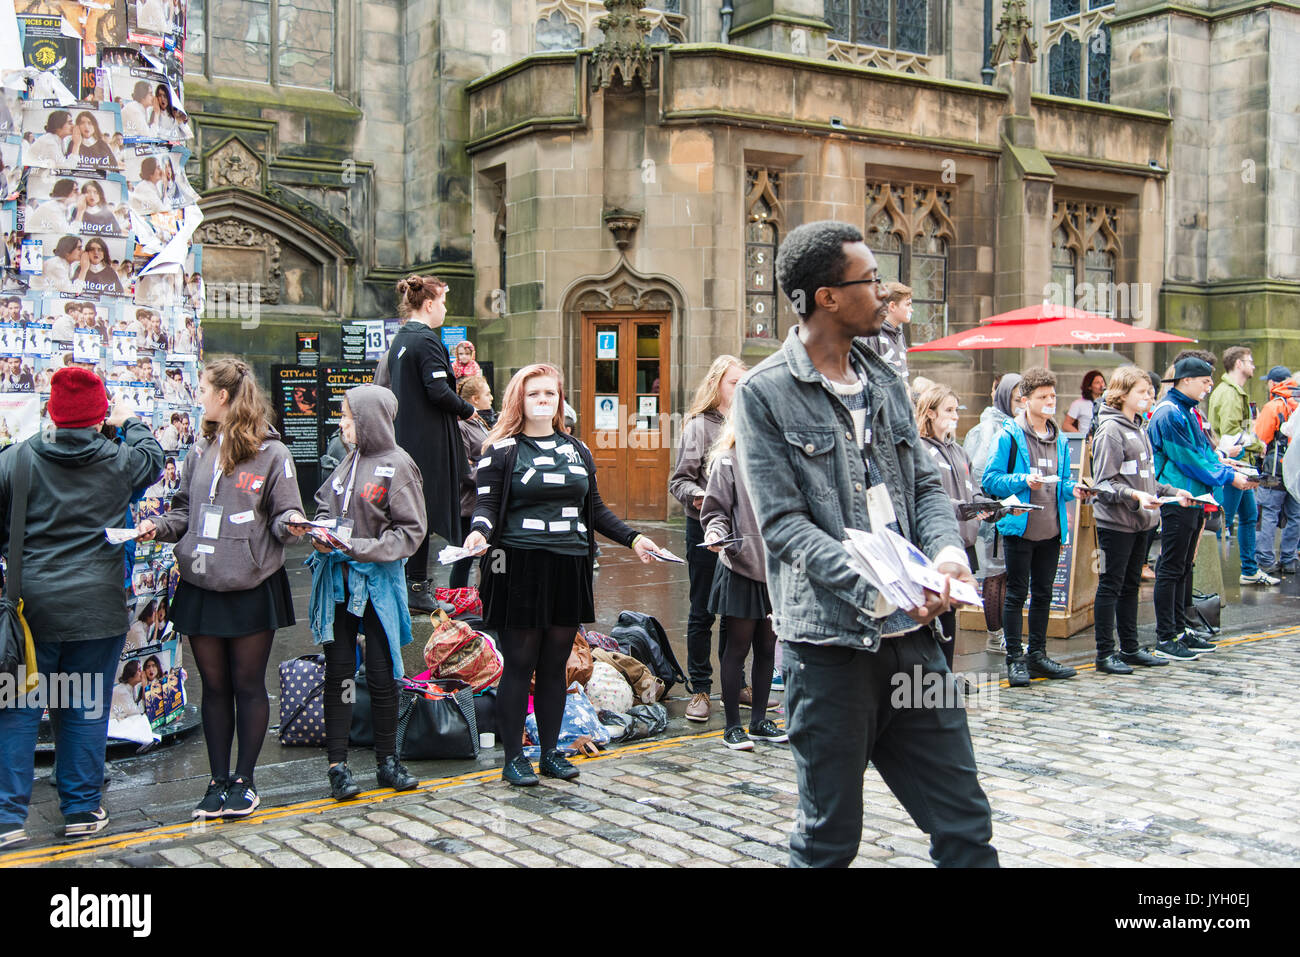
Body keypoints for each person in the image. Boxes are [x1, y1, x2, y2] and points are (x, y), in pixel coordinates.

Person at [732, 220, 997, 868]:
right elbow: (785, 526)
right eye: (869, 279)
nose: (882, 292)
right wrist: (883, 584)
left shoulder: (885, 381)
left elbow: (927, 489)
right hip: (830, 652)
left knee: (965, 825)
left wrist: (946, 557)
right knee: (829, 841)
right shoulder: (762, 392)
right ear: (826, 295)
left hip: (914, 645)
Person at [461, 363, 665, 787]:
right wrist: (479, 534)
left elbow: (596, 511)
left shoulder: (578, 450)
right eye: (534, 394)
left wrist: (635, 539)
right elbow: (485, 504)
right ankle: (514, 757)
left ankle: (551, 752)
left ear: (559, 401)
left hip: (569, 565)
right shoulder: (500, 450)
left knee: (555, 665)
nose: (543, 401)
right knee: (519, 664)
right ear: (520, 399)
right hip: (518, 566)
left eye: (550, 395)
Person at [137, 358, 310, 820]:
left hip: (253, 583)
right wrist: (158, 526)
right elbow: (182, 512)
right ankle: (216, 782)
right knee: (213, 688)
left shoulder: (274, 453)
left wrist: (292, 523)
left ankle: (245, 782)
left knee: (248, 685)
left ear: (225, 397)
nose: (197, 395)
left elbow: (283, 513)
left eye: (203, 388)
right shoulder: (199, 450)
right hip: (201, 582)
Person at [0, 368, 163, 848]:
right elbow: (153, 456)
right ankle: (80, 810)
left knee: (18, 709)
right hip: (97, 611)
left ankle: (8, 817)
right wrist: (130, 419)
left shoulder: (15, 461)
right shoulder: (121, 461)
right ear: (99, 416)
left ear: (51, 411)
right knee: (84, 709)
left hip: (31, 613)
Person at [307, 386, 427, 800]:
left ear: (370, 419)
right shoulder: (347, 460)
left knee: (382, 675)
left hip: (378, 585)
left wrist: (360, 548)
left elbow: (410, 532)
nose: (341, 423)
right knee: (337, 672)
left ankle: (387, 762)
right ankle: (337, 767)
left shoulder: (399, 465)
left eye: (347, 416)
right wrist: (321, 531)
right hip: (339, 584)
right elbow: (325, 504)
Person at [981, 368, 1095, 688]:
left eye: (1053, 396)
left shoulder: (1058, 438)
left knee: (1043, 594)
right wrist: (1021, 480)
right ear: (1026, 400)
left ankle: (1038, 655)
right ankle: (1015, 659)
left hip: (1052, 528)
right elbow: (991, 480)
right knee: (1017, 594)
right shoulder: (1009, 435)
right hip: (1020, 526)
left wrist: (1072, 489)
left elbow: (1063, 481)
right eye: (1043, 397)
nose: (1049, 401)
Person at [1148, 355, 1258, 661]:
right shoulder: (1169, 413)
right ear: (1187, 381)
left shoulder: (1186, 410)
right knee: (1171, 568)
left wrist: (1226, 466)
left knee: (1183, 567)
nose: (1210, 386)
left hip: (1196, 497)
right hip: (1177, 498)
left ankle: (1180, 631)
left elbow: (1203, 454)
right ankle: (1165, 636)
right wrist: (1229, 477)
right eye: (1205, 381)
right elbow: (1189, 460)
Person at [1089, 366, 1193, 674]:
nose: (1149, 397)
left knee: (1131, 585)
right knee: (1110, 585)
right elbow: (1104, 483)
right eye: (1143, 392)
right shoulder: (1111, 430)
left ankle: (1130, 648)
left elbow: (1145, 480)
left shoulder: (1139, 427)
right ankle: (1105, 653)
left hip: (1142, 522)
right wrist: (1135, 497)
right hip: (1116, 523)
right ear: (1123, 394)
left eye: (1150, 392)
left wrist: (1173, 491)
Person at [384, 275, 476, 613]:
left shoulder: (402, 339)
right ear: (429, 304)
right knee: (420, 513)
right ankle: (417, 587)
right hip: (426, 444)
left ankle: (412, 584)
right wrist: (469, 410)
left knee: (411, 512)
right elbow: (437, 391)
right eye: (444, 303)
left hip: (406, 440)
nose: (445, 310)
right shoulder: (425, 340)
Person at [668, 355, 746, 722]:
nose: (739, 389)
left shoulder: (749, 423)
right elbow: (679, 481)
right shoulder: (699, 426)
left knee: (738, 612)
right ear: (717, 385)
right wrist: (702, 497)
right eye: (734, 383)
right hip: (703, 528)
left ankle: (737, 684)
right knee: (702, 610)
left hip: (740, 532)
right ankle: (699, 689)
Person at [701, 416, 784, 750]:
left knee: (767, 649)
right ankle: (733, 726)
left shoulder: (782, 457)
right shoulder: (727, 459)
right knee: (737, 648)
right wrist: (716, 534)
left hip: (776, 569)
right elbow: (716, 512)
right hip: (740, 566)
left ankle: (760, 721)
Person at [916, 383, 989, 670]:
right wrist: (963, 507)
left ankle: (946, 676)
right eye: (949, 410)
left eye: (956, 409)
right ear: (930, 413)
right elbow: (927, 498)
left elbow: (973, 491)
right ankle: (929, 682)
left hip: (963, 545)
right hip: (935, 548)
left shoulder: (958, 451)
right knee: (931, 617)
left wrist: (987, 505)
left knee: (951, 615)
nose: (955, 415)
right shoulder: (921, 449)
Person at [1208, 346, 1275, 585]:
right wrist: (1258, 444)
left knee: (1248, 516)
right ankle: (1207, 575)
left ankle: (1249, 570)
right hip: (1234, 465)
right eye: (1250, 360)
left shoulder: (1233, 391)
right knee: (1220, 520)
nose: (1254, 365)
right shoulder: (1229, 393)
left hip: (1240, 464)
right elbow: (1232, 433)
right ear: (1238, 364)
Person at [1254, 365, 1300, 574]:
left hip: (1276, 468)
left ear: (1273, 384)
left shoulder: (1274, 406)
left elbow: (1260, 439)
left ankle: (1265, 560)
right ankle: (1288, 559)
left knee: (1269, 513)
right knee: (1296, 515)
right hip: (1298, 469)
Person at [451, 374, 492, 590]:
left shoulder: (482, 424)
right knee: (463, 560)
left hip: (484, 502)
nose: (492, 398)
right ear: (475, 399)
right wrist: (491, 469)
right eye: (487, 394)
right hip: (468, 506)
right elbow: (464, 471)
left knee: (490, 560)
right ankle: (456, 603)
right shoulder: (461, 428)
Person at [863, 280, 911, 380]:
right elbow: (869, 375)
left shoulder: (900, 336)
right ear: (892, 306)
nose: (911, 309)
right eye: (908, 304)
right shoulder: (872, 334)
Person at [1063, 369, 1105, 434]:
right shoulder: (1078, 404)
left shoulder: (1106, 403)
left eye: (1102, 382)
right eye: (1097, 383)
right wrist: (1081, 437)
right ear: (1089, 387)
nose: (1101, 385)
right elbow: (1066, 425)